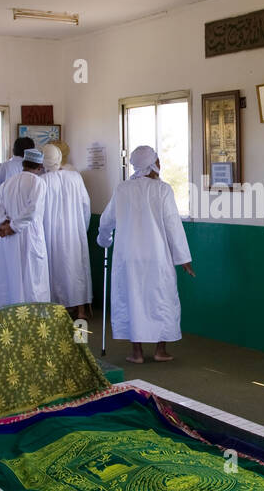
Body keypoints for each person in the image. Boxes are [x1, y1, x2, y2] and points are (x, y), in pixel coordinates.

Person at [97, 145, 195, 364]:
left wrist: (104, 240)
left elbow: (106, 220)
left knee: (133, 300)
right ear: (153, 164)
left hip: (128, 257)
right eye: (158, 160)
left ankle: (137, 353)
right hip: (157, 257)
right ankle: (160, 351)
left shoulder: (123, 189)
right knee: (161, 299)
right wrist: (184, 259)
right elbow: (173, 226)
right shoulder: (163, 190)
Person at [0, 148, 50, 308]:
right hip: (29, 236)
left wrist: (4, 223)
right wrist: (13, 227)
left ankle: (10, 322)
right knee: (32, 279)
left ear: (24, 163)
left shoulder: (7, 183)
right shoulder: (38, 182)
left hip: (9, 238)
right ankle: (32, 322)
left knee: (10, 277)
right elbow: (33, 210)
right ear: (39, 167)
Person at [40, 144, 93, 319]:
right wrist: (82, 229)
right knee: (77, 270)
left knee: (54, 271)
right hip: (75, 232)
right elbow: (86, 205)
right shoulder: (75, 177)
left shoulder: (42, 181)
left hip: (50, 233)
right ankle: (80, 310)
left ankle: (57, 310)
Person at [0, 136, 35, 238]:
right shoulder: (37, 171)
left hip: (5, 221)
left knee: (7, 252)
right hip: (29, 224)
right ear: (32, 152)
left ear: (13, 150)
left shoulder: (2, 168)